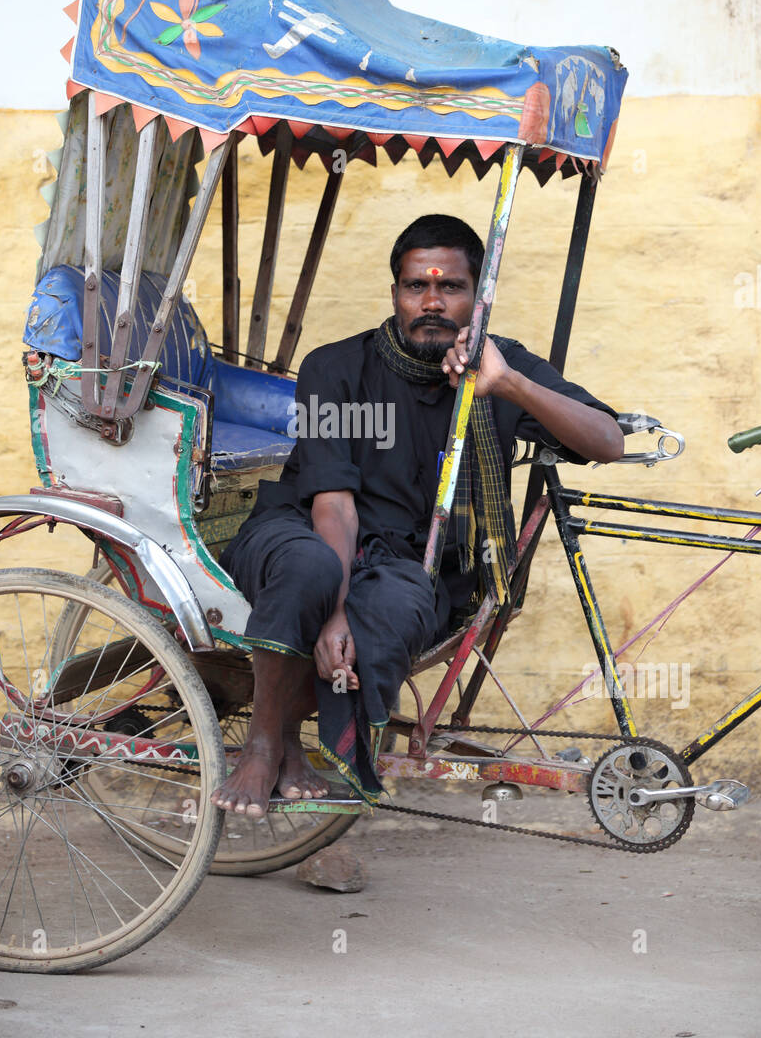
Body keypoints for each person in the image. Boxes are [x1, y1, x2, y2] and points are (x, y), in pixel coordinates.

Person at [211, 214, 624, 818]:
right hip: (305, 529)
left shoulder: (503, 367)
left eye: (450, 288)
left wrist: (510, 386)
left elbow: (607, 441)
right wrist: (332, 620)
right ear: (396, 293)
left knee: (397, 612)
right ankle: (267, 741)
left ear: (478, 297)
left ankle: (312, 752)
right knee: (311, 568)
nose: (432, 302)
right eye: (416, 287)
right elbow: (334, 505)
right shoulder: (337, 369)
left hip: (406, 566)